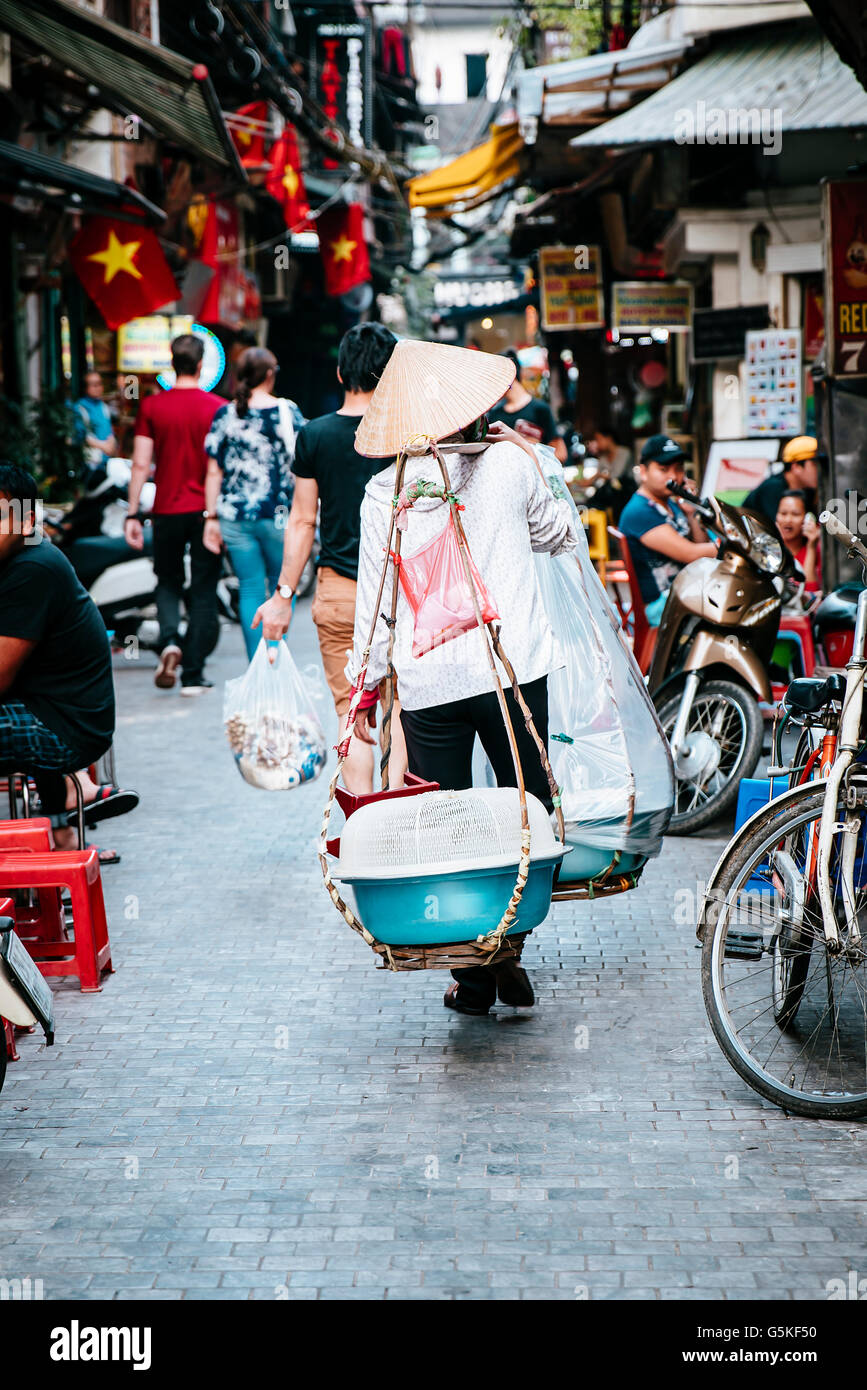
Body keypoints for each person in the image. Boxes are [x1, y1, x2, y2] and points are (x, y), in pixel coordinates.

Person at [348, 341, 578, 1016]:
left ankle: (474, 975)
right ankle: (508, 946)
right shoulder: (510, 463)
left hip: (429, 681)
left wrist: (366, 683)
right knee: (525, 816)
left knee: (450, 826)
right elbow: (560, 534)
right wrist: (537, 459)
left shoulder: (382, 489)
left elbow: (376, 599)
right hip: (511, 674)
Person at [253, 323, 400, 795]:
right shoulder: (405, 435)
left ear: (340, 373)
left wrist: (282, 596)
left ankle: (360, 829)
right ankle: (401, 826)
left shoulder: (314, 435)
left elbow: (301, 522)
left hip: (340, 592)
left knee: (350, 710)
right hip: (402, 593)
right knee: (401, 711)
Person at [0, 463, 136, 848]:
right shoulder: (17, 557)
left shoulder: (32, 568)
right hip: (47, 705)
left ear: (26, 522)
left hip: (65, 729)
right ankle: (62, 824)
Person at [126, 334, 223, 696]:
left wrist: (133, 513)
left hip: (164, 510)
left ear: (172, 363)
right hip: (204, 513)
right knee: (203, 589)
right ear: (200, 366)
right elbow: (220, 467)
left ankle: (169, 641)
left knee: (167, 581)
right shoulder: (218, 407)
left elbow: (140, 464)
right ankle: (194, 675)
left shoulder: (151, 407)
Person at [203, 347, 305, 661]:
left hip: (234, 515)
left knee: (249, 586)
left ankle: (256, 662)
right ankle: (275, 652)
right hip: (277, 514)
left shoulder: (225, 414)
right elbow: (304, 461)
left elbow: (213, 470)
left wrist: (211, 518)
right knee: (280, 587)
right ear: (271, 374)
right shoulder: (286, 411)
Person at [619, 435, 717, 626]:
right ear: (644, 472)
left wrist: (691, 512)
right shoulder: (640, 511)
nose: (673, 477)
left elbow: (699, 546)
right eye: (663, 469)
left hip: (683, 594)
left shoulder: (671, 504)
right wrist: (730, 548)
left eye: (679, 469)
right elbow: (692, 554)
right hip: (660, 607)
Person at [488, 350, 567, 462]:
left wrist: (530, 450)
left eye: (493, 377)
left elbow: (560, 454)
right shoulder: (494, 414)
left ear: (509, 374)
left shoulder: (540, 409)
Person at [743, 436, 820, 525]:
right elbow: (783, 532)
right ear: (796, 467)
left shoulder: (808, 492)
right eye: (814, 465)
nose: (819, 471)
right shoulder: (772, 488)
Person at [776, 488, 822, 592]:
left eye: (795, 514)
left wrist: (811, 547)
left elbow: (810, 592)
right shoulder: (769, 548)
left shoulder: (815, 549)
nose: (788, 520)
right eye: (783, 513)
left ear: (807, 519)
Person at [74, 371, 117, 471]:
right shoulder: (80, 407)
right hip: (91, 464)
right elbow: (81, 436)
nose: (98, 387)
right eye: (94, 385)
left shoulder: (104, 406)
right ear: (85, 387)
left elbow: (110, 431)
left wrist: (111, 445)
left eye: (100, 383)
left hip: (107, 461)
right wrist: (104, 447)